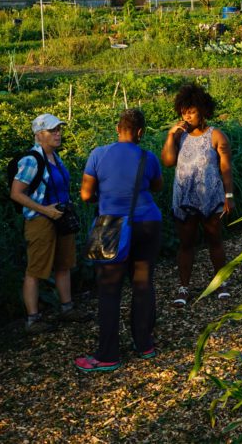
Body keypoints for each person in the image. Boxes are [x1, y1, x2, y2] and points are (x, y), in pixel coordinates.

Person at [74, 109, 164, 372]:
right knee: (143, 284)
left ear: (117, 128)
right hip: (148, 222)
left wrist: (103, 198)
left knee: (109, 290)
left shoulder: (98, 154)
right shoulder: (148, 158)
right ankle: (144, 344)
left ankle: (108, 355)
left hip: (110, 223)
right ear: (140, 132)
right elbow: (156, 186)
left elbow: (85, 194)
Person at [9, 113, 90, 334]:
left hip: (60, 217)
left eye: (59, 129)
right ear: (39, 135)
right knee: (35, 270)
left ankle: (67, 308)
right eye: (53, 130)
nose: (58, 133)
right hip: (40, 221)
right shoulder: (31, 160)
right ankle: (33, 320)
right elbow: (16, 193)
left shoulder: (55, 157)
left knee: (64, 264)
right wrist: (45, 210)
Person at [161, 83, 235, 307]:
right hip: (184, 199)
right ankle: (184, 287)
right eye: (183, 112)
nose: (187, 116)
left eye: (191, 111)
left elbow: (226, 168)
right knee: (186, 244)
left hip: (211, 197)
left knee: (215, 239)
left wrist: (229, 195)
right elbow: (167, 162)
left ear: (203, 110)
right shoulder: (179, 137)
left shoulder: (216, 136)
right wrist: (170, 136)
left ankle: (221, 282)